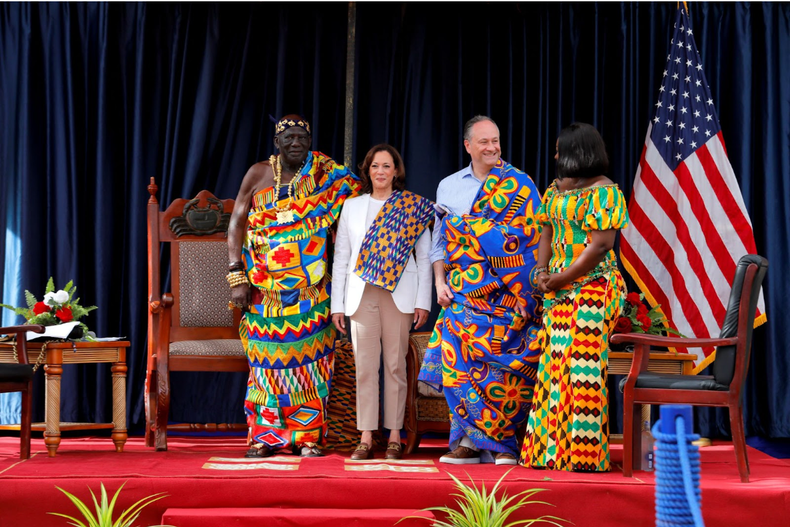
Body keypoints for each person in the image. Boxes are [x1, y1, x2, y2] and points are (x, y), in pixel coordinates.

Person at [227, 115, 361, 458]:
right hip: (264, 293)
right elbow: (237, 222)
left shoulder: (325, 175)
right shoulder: (258, 173)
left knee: (311, 367)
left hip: (311, 292)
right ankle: (264, 438)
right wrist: (236, 274)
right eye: (289, 138)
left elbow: (361, 202)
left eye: (302, 137)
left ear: (310, 140)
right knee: (265, 368)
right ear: (277, 143)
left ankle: (308, 438)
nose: (296, 143)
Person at [418, 115, 543, 465]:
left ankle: (502, 444)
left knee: (503, 373)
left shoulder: (520, 184)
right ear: (468, 145)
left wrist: (525, 295)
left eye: (496, 140)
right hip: (462, 293)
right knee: (459, 368)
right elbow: (440, 241)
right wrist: (440, 282)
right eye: (484, 142)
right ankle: (468, 444)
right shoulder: (448, 186)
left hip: (509, 295)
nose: (492, 147)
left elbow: (531, 243)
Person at [520, 122, 629, 472]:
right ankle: (549, 455)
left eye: (560, 149)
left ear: (578, 152)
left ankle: (582, 457)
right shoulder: (556, 189)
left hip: (595, 288)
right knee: (554, 368)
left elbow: (601, 245)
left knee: (581, 369)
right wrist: (539, 272)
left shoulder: (605, 191)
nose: (555, 156)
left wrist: (560, 278)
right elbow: (546, 232)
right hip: (558, 288)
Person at [330, 144, 433, 461]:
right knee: (364, 369)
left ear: (396, 171)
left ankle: (393, 436)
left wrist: (423, 301)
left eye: (387, 166)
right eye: (376, 166)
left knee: (394, 367)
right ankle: (365, 436)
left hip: (400, 296)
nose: (381, 172)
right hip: (361, 295)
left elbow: (425, 257)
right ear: (368, 169)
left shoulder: (411, 207)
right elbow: (342, 258)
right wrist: (337, 304)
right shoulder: (352, 207)